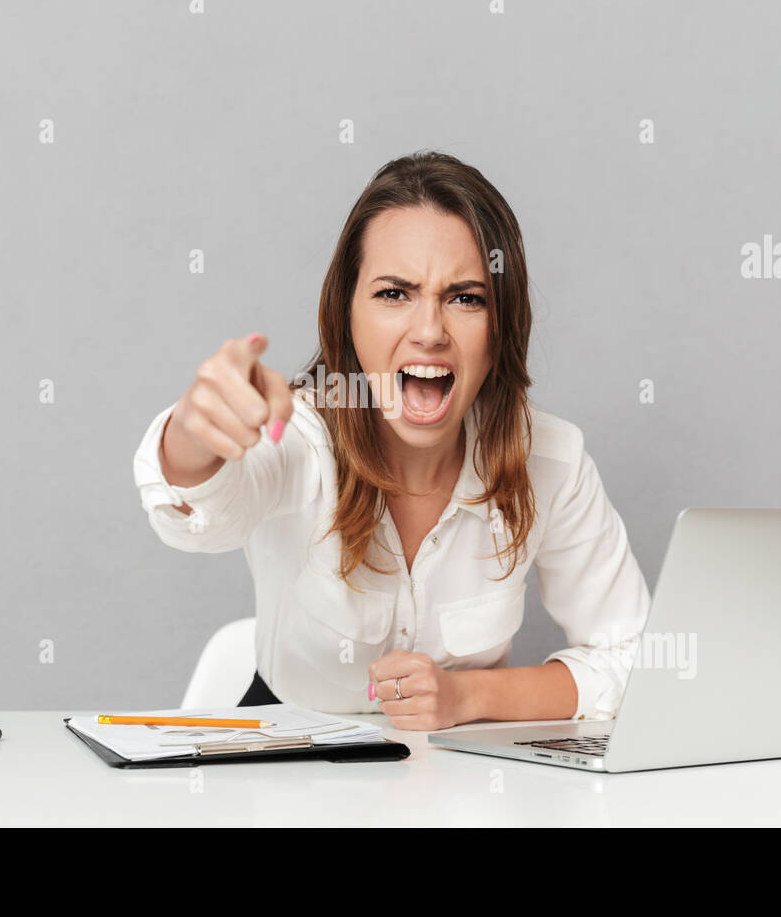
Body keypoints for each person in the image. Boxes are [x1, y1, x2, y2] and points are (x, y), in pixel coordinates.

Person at [133, 150, 651, 731]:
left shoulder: (551, 461)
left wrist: (468, 697)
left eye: (465, 297)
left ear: (500, 325)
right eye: (393, 294)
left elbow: (635, 658)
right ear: (346, 315)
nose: (429, 332)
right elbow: (192, 516)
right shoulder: (296, 438)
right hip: (290, 772)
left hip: (461, 777)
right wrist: (194, 433)